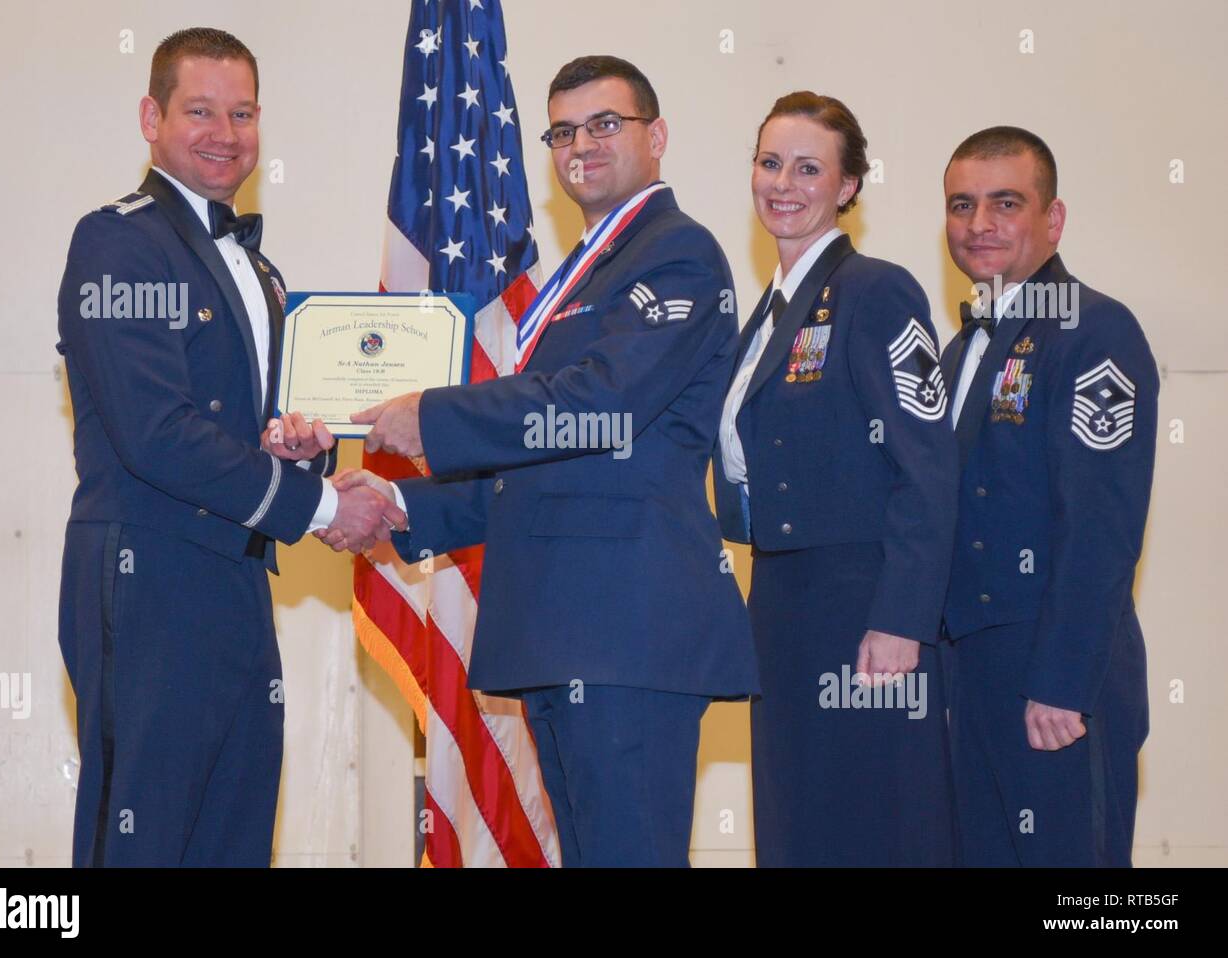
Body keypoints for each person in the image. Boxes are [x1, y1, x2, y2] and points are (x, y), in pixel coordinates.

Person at [331, 56, 758, 867]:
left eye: (605, 124)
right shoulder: (592, 267)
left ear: (656, 135)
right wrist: (405, 508)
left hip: (629, 633)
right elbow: (544, 464)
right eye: (563, 130)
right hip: (570, 632)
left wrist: (432, 415)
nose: (580, 146)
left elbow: (600, 407)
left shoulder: (677, 254)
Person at [55, 27, 403, 866]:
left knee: (235, 832)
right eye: (200, 110)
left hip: (239, 575)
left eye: (242, 112)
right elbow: (156, 435)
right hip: (147, 578)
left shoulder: (262, 269)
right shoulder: (118, 242)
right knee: (144, 830)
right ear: (151, 116)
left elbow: (244, 432)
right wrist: (321, 504)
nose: (225, 132)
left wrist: (304, 450)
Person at [711, 92, 959, 866]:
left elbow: (929, 464)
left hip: (863, 607)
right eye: (770, 162)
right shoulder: (767, 314)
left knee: (869, 823)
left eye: (809, 167)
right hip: (784, 600)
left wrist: (901, 619)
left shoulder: (877, 292)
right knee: (798, 823)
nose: (783, 183)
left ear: (849, 187)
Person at [939, 126, 1158, 866]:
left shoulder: (1092, 330)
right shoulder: (960, 348)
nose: (979, 225)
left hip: (1053, 680)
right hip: (968, 677)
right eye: (961, 204)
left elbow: (1101, 524)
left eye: (1006, 203)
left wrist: (1062, 684)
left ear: (1053, 220)